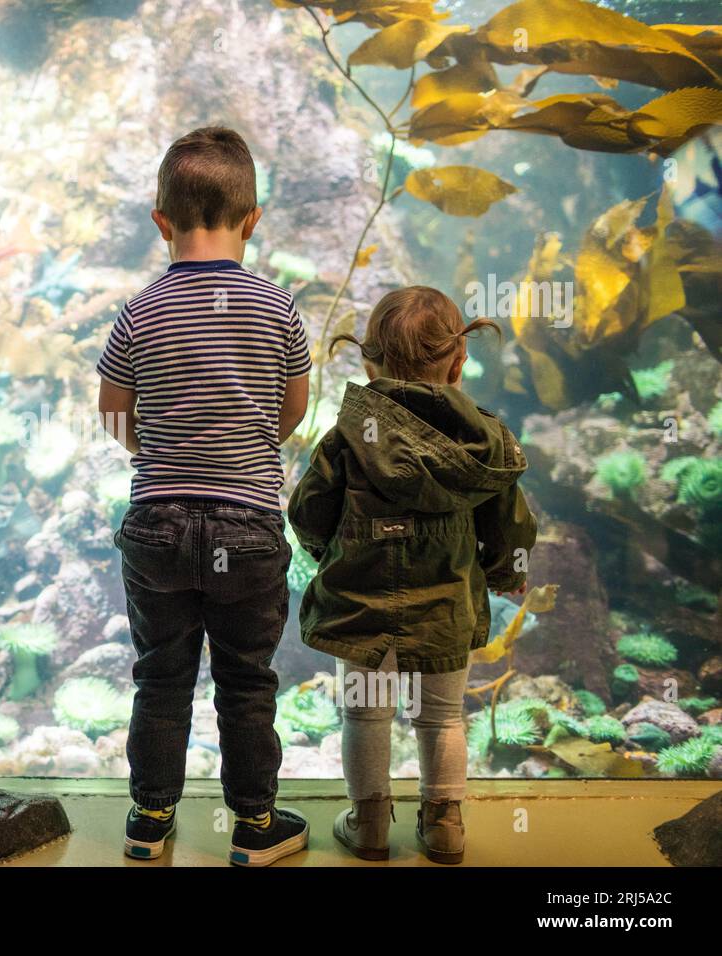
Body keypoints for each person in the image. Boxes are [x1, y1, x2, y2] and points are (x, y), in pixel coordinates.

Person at [96, 126, 312, 866]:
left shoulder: (138, 311)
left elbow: (115, 414)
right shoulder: (279, 309)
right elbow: (293, 414)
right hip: (248, 526)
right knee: (247, 680)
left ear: (161, 221)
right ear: (253, 219)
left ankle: (149, 823)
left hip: (157, 522)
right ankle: (254, 829)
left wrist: (158, 450)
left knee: (160, 676)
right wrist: (244, 445)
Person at [288, 286, 537, 864]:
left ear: (368, 360)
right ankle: (445, 825)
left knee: (365, 713)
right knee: (443, 717)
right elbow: (510, 519)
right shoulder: (484, 442)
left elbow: (308, 509)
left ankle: (369, 822)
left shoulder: (349, 435)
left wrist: (325, 549)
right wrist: (504, 570)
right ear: (459, 360)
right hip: (447, 607)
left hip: (358, 606)